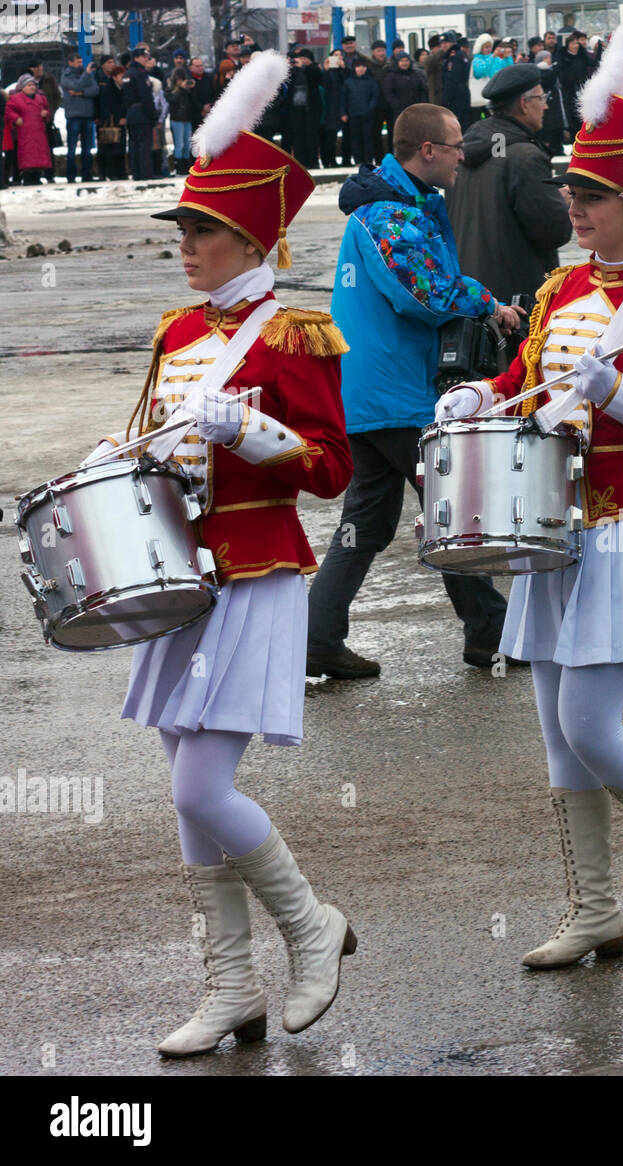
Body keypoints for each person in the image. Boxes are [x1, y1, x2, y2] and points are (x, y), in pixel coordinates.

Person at [80, 51, 356, 1056]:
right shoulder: (177, 329)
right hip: (177, 578)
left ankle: (311, 925)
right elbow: (157, 435)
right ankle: (231, 984)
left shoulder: (298, 334)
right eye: (183, 230)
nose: (183, 247)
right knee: (183, 790)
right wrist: (120, 452)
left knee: (203, 786)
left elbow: (329, 469)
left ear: (249, 233)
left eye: (198, 230)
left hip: (258, 569)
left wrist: (248, 432)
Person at [435, 25, 623, 969]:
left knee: (589, 724)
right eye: (572, 191)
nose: (575, 205)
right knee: (556, 735)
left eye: (592, 195)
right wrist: (481, 392)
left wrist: (620, 396)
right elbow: (526, 371)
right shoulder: (561, 287)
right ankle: (594, 907)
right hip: (551, 525)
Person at [309, 103, 523, 678]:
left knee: (368, 522)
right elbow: (423, 292)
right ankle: (490, 632)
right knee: (451, 510)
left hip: (372, 392)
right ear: (427, 150)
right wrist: (490, 305)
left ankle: (317, 636)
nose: (463, 155)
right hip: (397, 393)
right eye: (456, 145)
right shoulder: (389, 214)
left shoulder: (401, 206)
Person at [446, 63, 572, 330]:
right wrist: (560, 203)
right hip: (516, 306)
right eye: (541, 98)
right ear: (524, 104)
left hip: (473, 297)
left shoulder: (466, 150)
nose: (546, 106)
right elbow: (553, 231)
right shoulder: (524, 156)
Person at [4, 75, 52, 184]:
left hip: (39, 131)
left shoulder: (41, 98)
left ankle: (37, 175)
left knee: (39, 154)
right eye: (29, 85)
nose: (32, 87)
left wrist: (46, 114)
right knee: (27, 154)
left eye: (33, 85)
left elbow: (47, 109)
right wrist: (16, 118)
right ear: (22, 87)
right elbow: (8, 110)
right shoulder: (16, 98)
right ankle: (27, 176)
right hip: (25, 132)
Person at [60, 52, 99, 183]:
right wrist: (86, 75)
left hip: (87, 114)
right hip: (74, 115)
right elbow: (74, 85)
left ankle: (86, 174)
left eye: (81, 62)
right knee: (72, 148)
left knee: (87, 148)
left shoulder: (86, 74)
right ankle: (71, 175)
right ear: (70, 62)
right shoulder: (66, 75)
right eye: (78, 62)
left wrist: (81, 93)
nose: (80, 65)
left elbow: (95, 89)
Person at [123, 44, 158, 179]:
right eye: (144, 57)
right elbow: (146, 97)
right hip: (142, 113)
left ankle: (136, 172)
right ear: (136, 58)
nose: (146, 59)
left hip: (131, 113)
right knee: (144, 145)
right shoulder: (140, 74)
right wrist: (153, 115)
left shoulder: (128, 74)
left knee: (134, 144)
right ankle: (145, 173)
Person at [340, 59, 379, 168]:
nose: (361, 69)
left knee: (368, 138)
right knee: (355, 139)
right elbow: (344, 98)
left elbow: (375, 96)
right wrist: (343, 113)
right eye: (358, 66)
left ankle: (368, 160)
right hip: (353, 114)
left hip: (368, 115)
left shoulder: (371, 81)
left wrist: (370, 109)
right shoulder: (348, 82)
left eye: (363, 66)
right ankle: (358, 160)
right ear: (354, 68)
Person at [555, 31, 592, 139]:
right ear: (568, 45)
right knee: (572, 116)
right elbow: (562, 76)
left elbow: (592, 63)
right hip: (569, 91)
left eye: (577, 43)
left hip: (582, 89)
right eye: (573, 43)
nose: (576, 46)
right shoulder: (563, 58)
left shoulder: (582, 56)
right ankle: (573, 139)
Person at [381, 49, 429, 127]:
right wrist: (396, 105)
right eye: (402, 61)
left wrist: (421, 104)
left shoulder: (416, 74)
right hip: (399, 111)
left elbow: (422, 90)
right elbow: (388, 92)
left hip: (416, 110)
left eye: (406, 60)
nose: (404, 63)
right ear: (398, 62)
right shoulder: (392, 76)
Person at [533, 51, 566, 157]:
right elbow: (549, 80)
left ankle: (558, 148)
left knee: (556, 130)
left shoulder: (550, 70)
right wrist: (556, 68)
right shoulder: (541, 71)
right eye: (547, 58)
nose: (550, 60)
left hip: (555, 106)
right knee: (549, 130)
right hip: (548, 106)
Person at [166, 66, 196, 173]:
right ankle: (179, 167)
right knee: (179, 144)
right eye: (179, 79)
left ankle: (187, 165)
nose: (181, 81)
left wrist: (190, 89)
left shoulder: (186, 90)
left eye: (182, 79)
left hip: (187, 119)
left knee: (187, 144)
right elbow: (172, 100)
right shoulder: (170, 90)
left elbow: (192, 101)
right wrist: (180, 89)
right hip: (177, 119)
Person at [321, 50, 347, 166]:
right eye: (335, 56)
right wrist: (326, 70)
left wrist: (344, 69)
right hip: (331, 109)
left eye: (340, 55)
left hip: (344, 107)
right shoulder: (328, 73)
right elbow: (325, 87)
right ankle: (329, 161)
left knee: (346, 135)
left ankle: (345, 160)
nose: (338, 58)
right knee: (330, 137)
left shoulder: (344, 71)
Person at [442, 36, 472, 129]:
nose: (443, 46)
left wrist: (446, 99)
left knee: (457, 124)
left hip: (456, 97)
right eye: (442, 43)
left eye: (446, 43)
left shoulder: (454, 57)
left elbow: (452, 79)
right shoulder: (461, 55)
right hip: (463, 94)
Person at [189, 56, 216, 128]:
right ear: (191, 68)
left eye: (201, 65)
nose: (200, 68)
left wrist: (210, 106)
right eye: (197, 66)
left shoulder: (209, 77)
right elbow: (190, 97)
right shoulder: (189, 79)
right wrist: (201, 108)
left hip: (210, 113)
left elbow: (215, 93)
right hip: (195, 115)